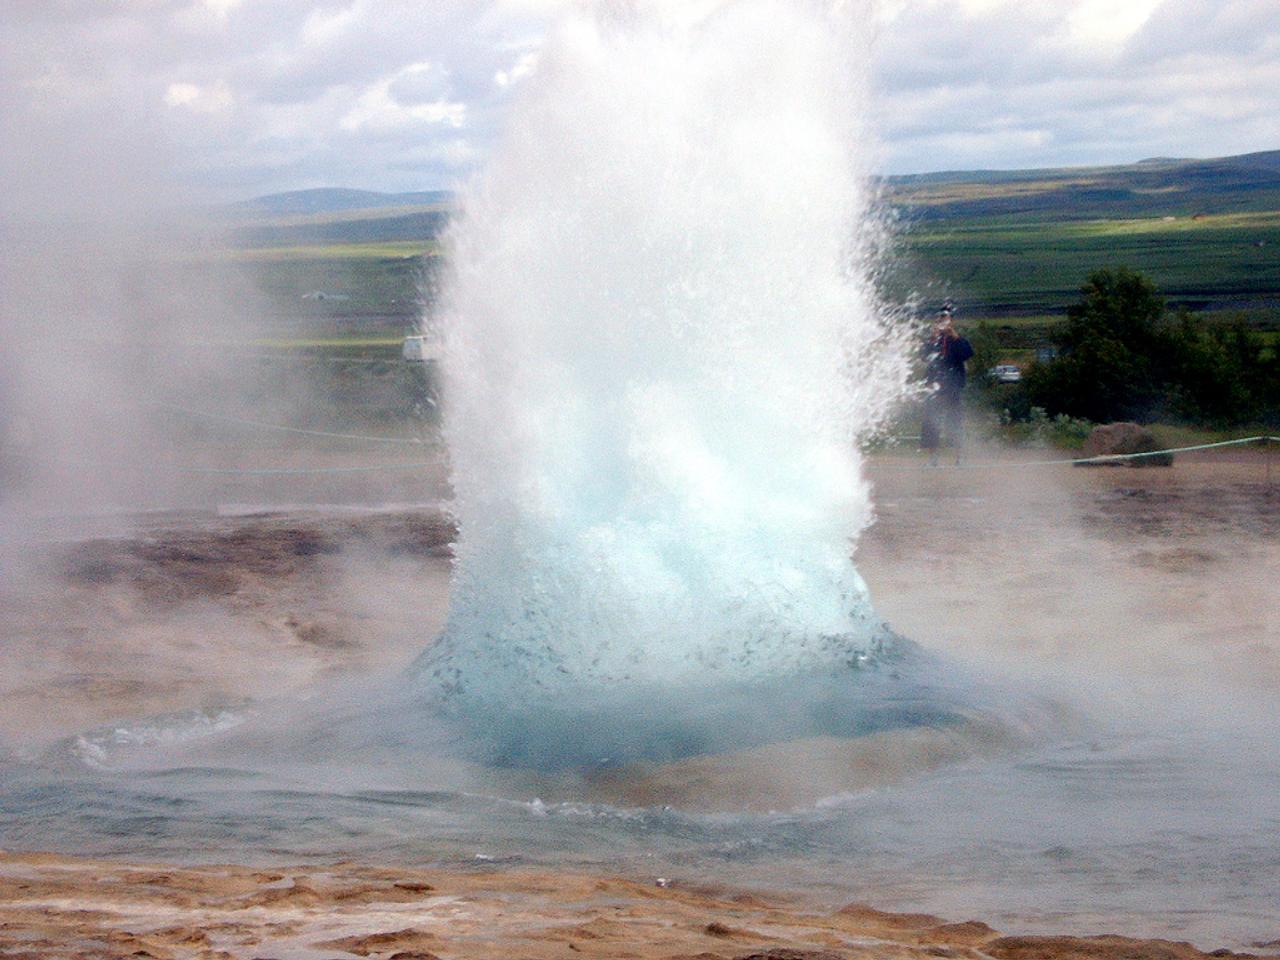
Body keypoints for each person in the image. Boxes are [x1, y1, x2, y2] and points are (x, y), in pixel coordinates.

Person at [920, 305, 973, 465]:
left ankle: (959, 457)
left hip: (953, 386)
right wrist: (933, 338)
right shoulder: (933, 340)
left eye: (945, 318)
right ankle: (932, 458)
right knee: (931, 420)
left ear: (951, 321)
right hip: (935, 386)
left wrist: (955, 336)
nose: (942, 322)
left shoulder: (957, 340)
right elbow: (923, 356)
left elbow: (966, 354)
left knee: (955, 420)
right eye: (940, 319)